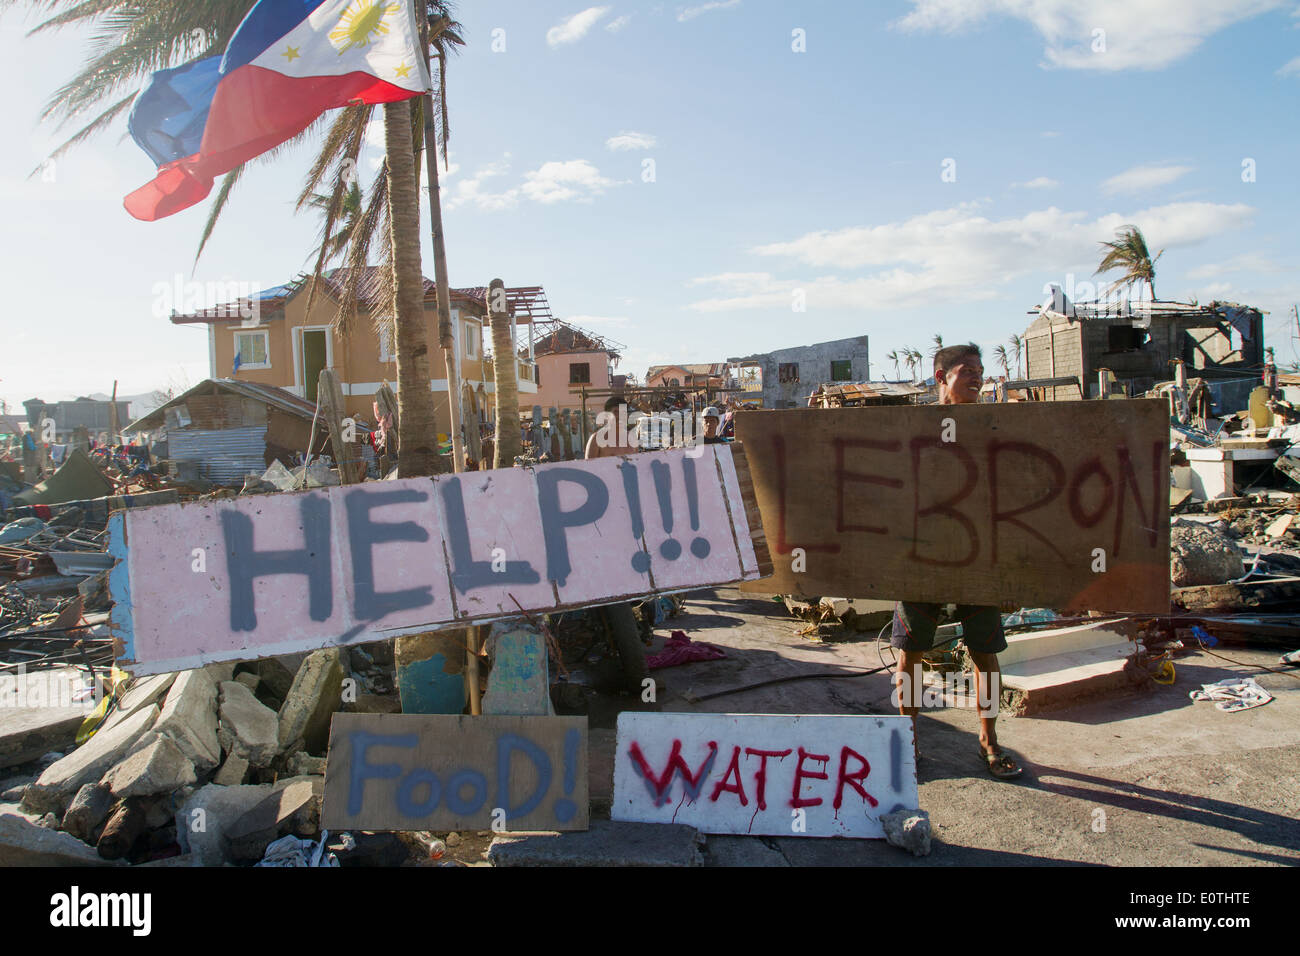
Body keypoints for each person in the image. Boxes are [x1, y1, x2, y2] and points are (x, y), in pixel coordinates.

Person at [892, 343, 1023, 780]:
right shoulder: (915, 427)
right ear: (940, 377)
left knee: (985, 653)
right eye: (967, 370)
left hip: (978, 556)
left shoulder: (994, 427)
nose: (977, 377)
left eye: (980, 371)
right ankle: (907, 742)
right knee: (909, 655)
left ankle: (989, 739)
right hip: (922, 555)